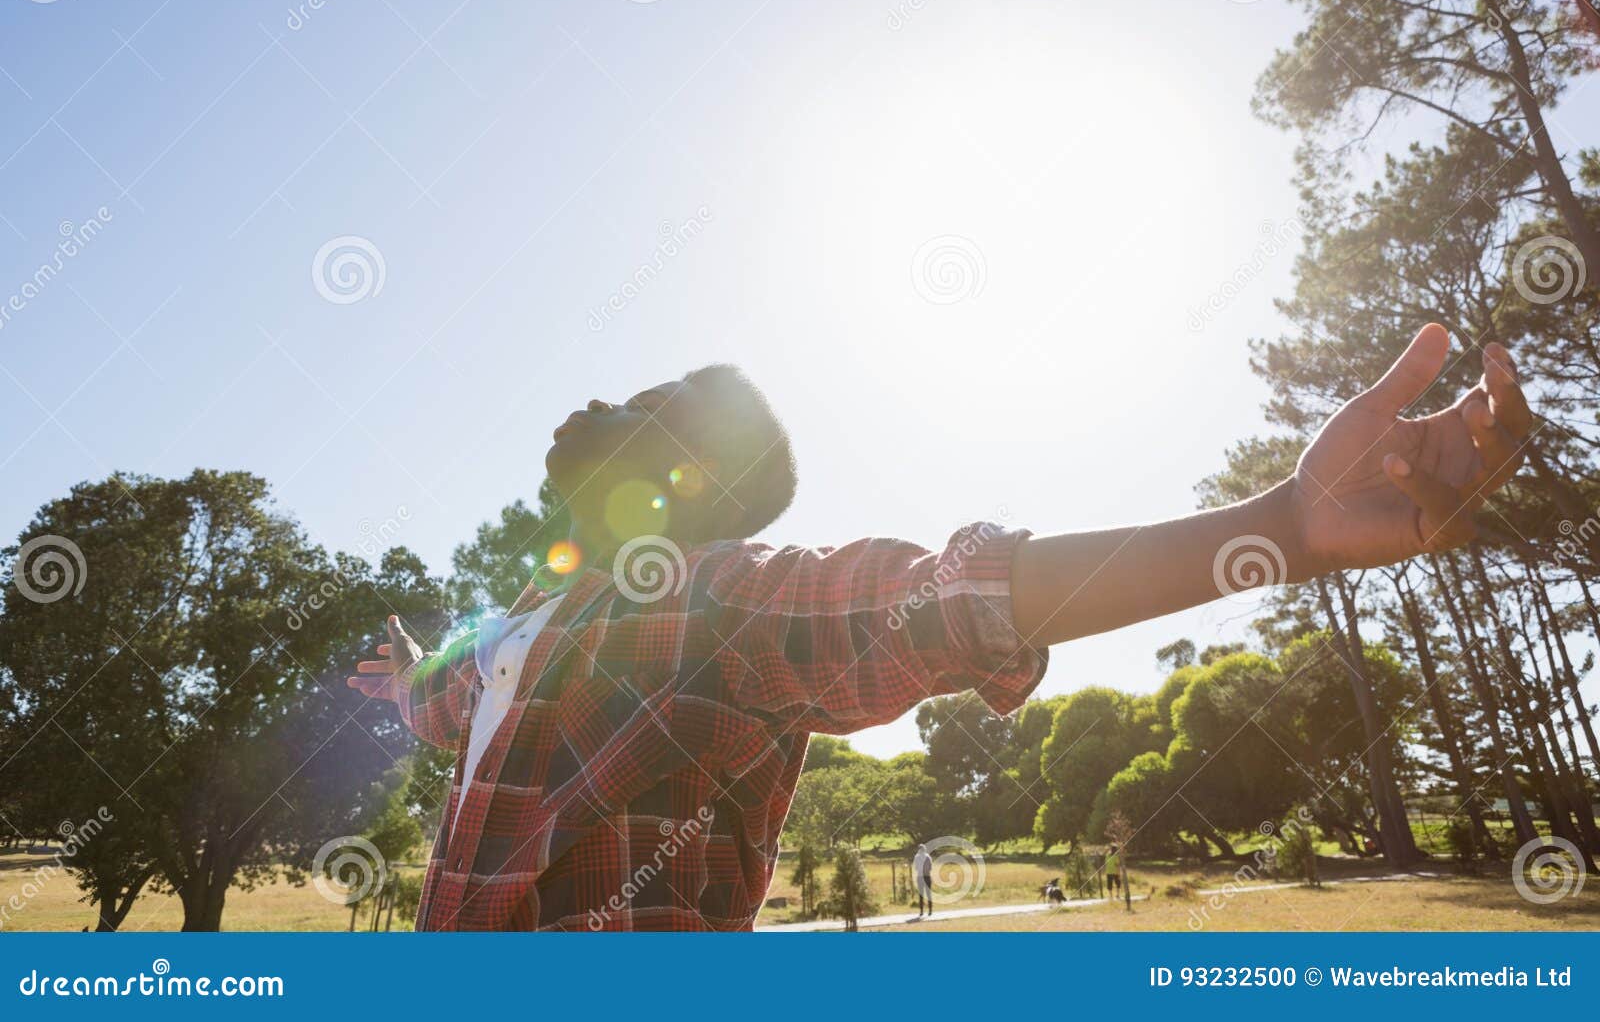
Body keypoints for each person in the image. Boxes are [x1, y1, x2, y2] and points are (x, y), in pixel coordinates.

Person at [347, 328, 1532, 930]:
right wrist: (404, 671)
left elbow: (959, 602)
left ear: (695, 483)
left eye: (651, 416)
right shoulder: (521, 628)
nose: (611, 417)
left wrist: (1284, 521)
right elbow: (438, 698)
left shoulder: (720, 598)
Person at [913, 843, 934, 917]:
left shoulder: (916, 857)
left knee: (921, 895)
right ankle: (930, 911)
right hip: (927, 876)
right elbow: (930, 868)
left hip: (920, 877)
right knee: (928, 894)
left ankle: (921, 911)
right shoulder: (928, 857)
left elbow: (915, 868)